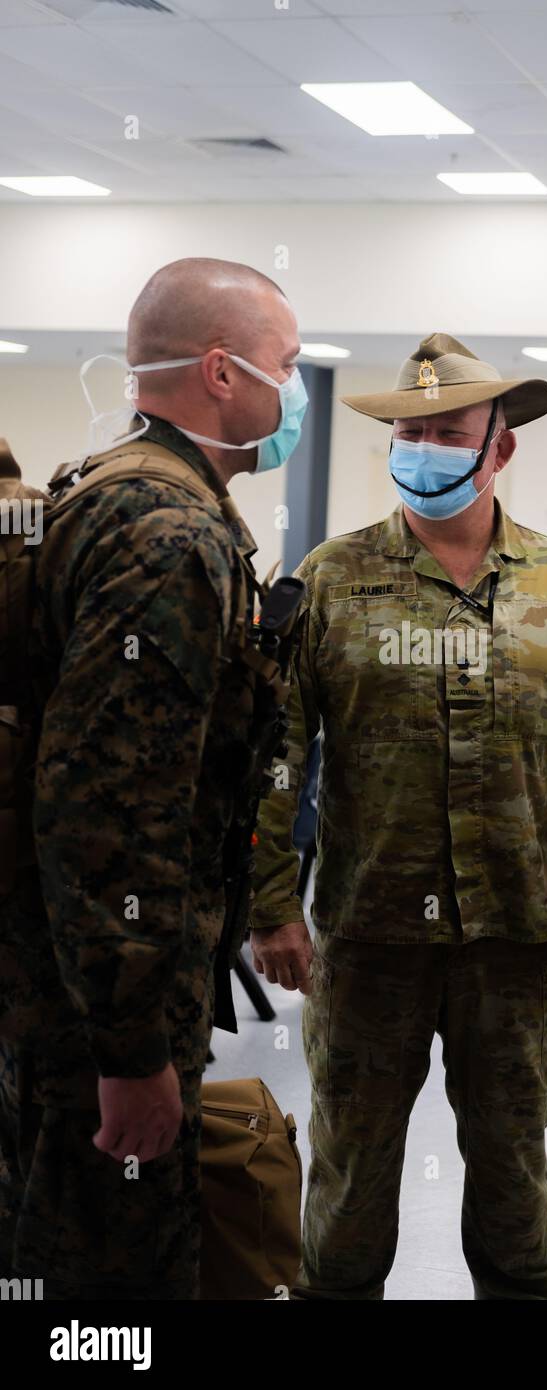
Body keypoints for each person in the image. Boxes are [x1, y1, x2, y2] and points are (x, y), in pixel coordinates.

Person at [250, 332, 547, 1300]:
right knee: (348, 1180)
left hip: (512, 936)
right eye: (406, 430)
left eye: (445, 431)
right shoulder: (330, 581)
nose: (420, 446)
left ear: (497, 448)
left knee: (511, 1178)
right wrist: (267, 905)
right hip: (365, 934)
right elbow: (272, 755)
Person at [0, 257, 305, 1299]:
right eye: (288, 364)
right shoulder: (171, 535)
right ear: (221, 372)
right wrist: (130, 1049)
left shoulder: (99, 485)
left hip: (53, 988)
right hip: (93, 1016)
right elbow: (107, 808)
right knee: (108, 1277)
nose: (293, 390)